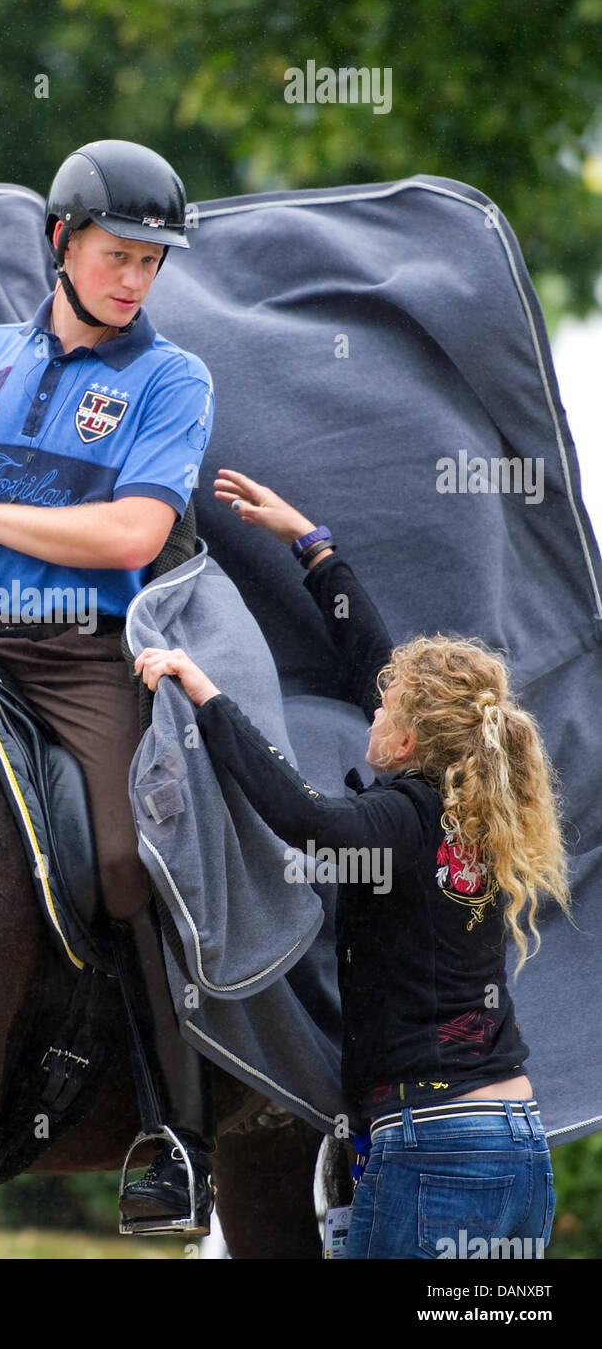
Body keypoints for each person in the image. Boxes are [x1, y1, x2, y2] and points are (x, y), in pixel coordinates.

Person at [0, 140, 218, 1233]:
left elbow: (132, 528)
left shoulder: (170, 379)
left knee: (124, 859)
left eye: (151, 262)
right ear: (62, 243)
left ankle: (174, 1133)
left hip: (83, 659)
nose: (134, 278)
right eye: (118, 254)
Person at [134, 468, 572, 1259]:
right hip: (508, 1140)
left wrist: (207, 694)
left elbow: (304, 818)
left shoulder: (401, 818)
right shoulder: (466, 803)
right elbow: (378, 659)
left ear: (407, 740)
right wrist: (311, 545)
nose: (374, 707)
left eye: (385, 708)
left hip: (434, 1146)